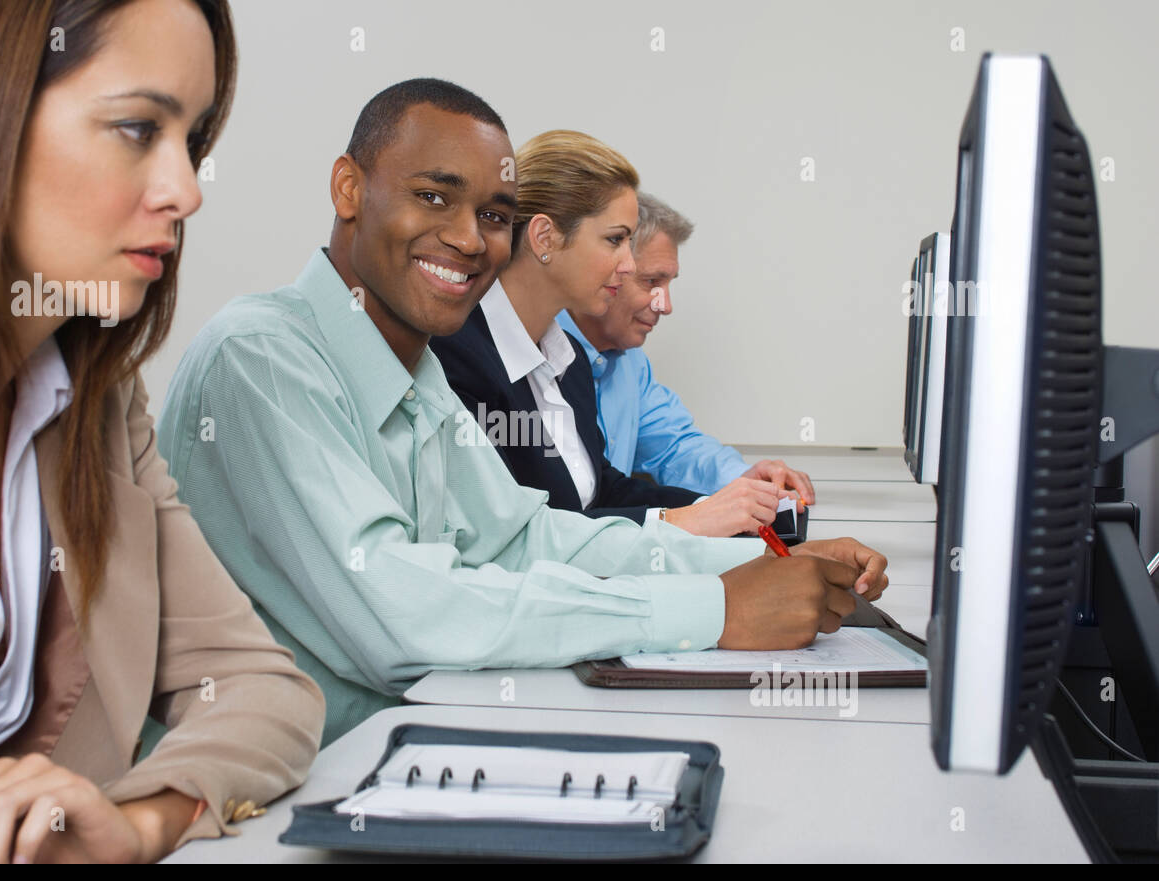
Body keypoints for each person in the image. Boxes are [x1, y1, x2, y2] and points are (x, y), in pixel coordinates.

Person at [158, 78, 890, 745]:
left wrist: (761, 559)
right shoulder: (260, 356)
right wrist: (714, 609)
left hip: (393, 751)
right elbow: (406, 614)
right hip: (258, 802)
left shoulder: (416, 369)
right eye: (435, 196)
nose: (472, 239)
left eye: (494, 214)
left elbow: (525, 539)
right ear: (349, 187)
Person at [0, 0, 324, 864]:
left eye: (193, 140)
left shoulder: (99, 405)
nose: (185, 190)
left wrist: (141, 821)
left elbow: (263, 688)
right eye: (137, 127)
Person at [430, 131, 787, 535]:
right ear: (544, 237)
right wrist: (684, 521)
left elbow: (601, 492)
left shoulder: (571, 361)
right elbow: (517, 537)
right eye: (615, 240)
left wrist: (726, 508)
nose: (629, 265)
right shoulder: (454, 360)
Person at [557, 192, 818, 504]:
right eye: (651, 281)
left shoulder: (630, 361)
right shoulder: (537, 353)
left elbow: (674, 447)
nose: (665, 306)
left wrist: (742, 478)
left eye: (668, 284)